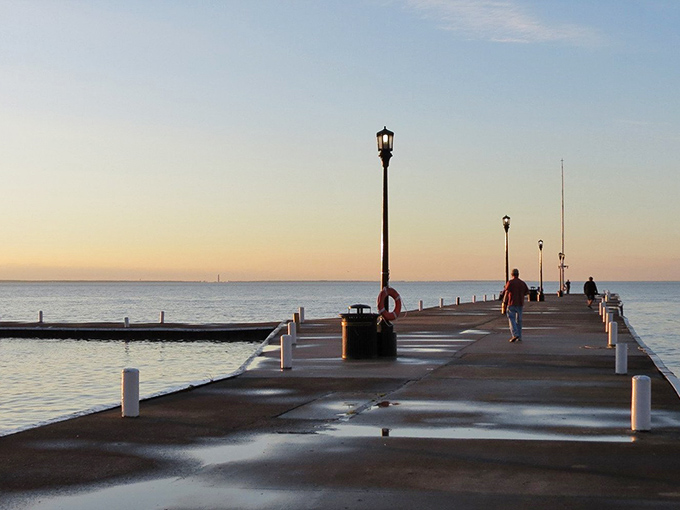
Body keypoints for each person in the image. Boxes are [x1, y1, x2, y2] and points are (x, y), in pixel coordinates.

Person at [502, 268, 530, 342]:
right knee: (519, 320)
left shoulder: (510, 282)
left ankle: (515, 334)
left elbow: (506, 293)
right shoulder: (522, 283)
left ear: (512, 274)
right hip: (520, 303)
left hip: (511, 303)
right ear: (518, 274)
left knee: (511, 319)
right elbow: (527, 292)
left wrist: (504, 303)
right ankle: (519, 336)